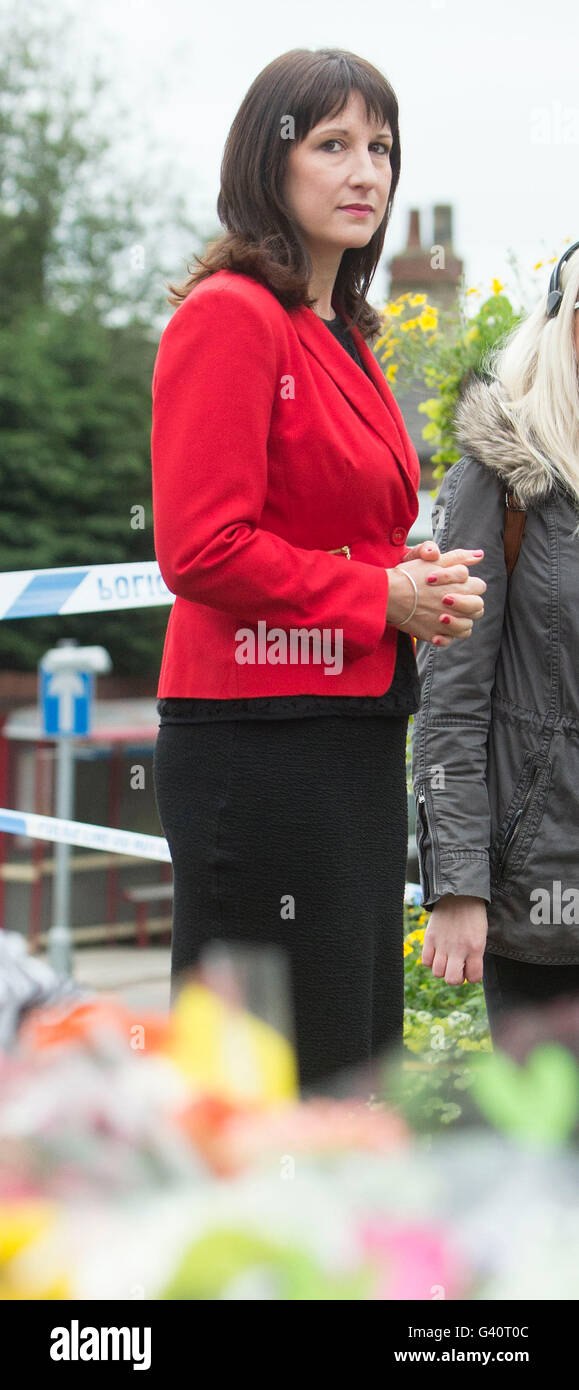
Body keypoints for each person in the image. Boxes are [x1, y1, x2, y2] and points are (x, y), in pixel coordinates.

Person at [151, 47, 486, 1093]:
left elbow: (332, 523)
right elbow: (199, 546)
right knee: (270, 1083)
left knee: (348, 1060)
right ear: (270, 161)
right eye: (332, 144)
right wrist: (377, 594)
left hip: (344, 730)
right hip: (257, 742)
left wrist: (410, 571)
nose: (365, 171)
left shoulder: (341, 331)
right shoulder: (230, 316)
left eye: (380, 147)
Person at [411, 241, 579, 1040]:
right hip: (544, 890)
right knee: (548, 1156)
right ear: (565, 330)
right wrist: (457, 886)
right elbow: (450, 700)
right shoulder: (502, 475)